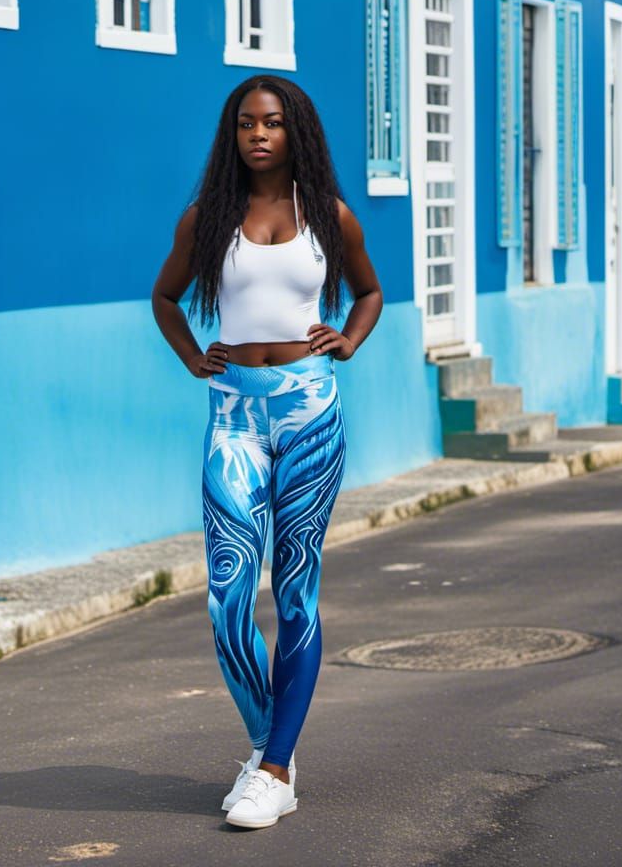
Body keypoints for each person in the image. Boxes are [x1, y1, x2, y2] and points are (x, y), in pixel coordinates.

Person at [151, 73, 382, 829]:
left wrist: (346, 338)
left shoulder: (329, 216)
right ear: (233, 133)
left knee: (295, 591)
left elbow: (371, 291)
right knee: (226, 598)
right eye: (247, 123)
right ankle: (267, 748)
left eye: (273, 123)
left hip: (311, 408)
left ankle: (276, 766)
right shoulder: (206, 220)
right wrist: (192, 357)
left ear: (295, 131)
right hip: (234, 415)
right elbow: (164, 296)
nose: (259, 134)